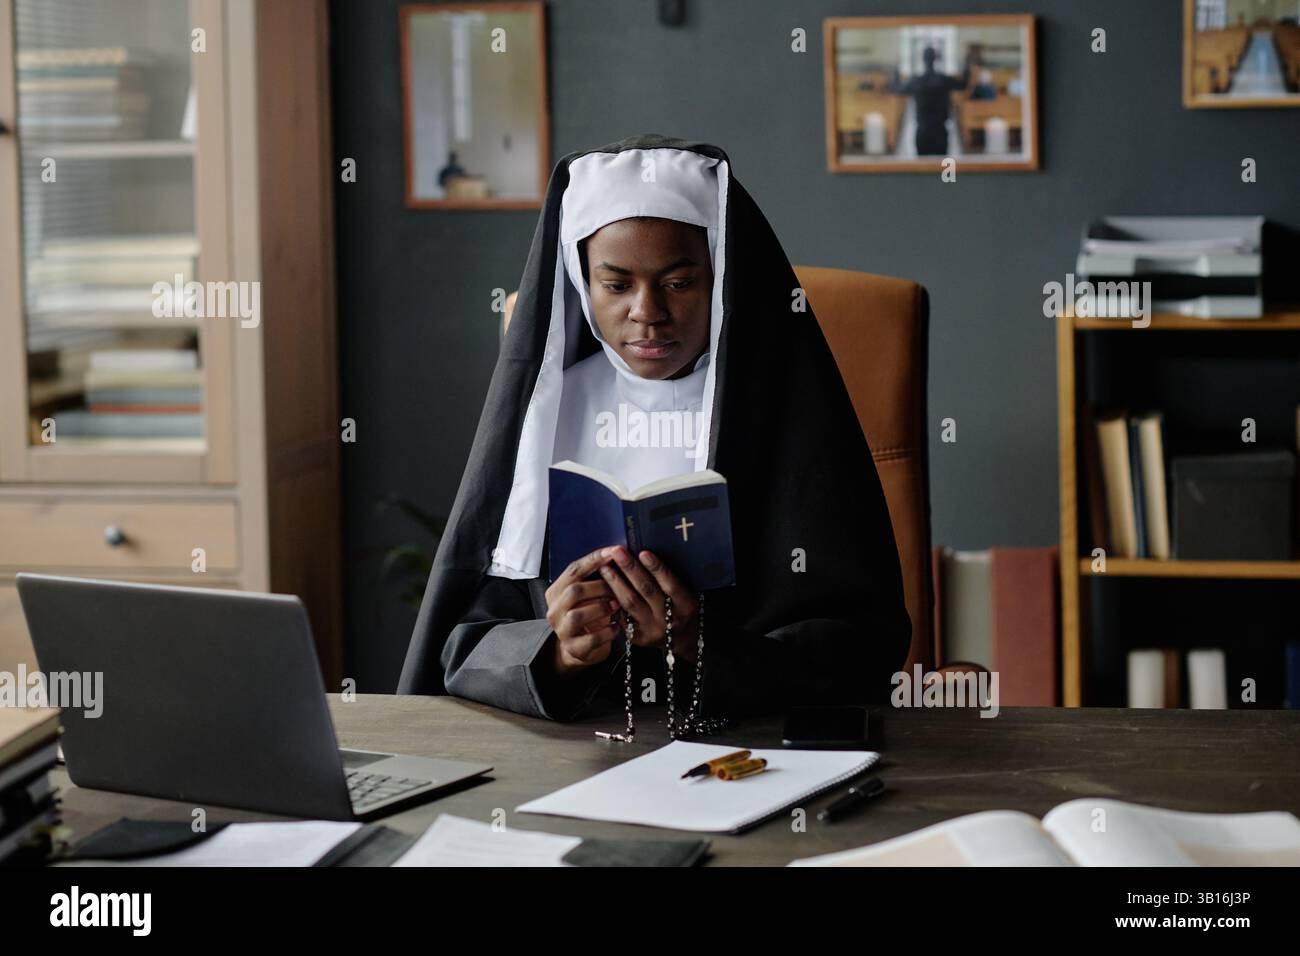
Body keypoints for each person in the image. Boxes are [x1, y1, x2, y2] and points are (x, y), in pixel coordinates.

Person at [397, 133, 910, 726]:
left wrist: (697, 641)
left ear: (722, 278)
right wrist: (560, 652)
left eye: (678, 282)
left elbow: (859, 651)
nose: (647, 312)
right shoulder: (546, 413)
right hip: (573, 750)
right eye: (616, 285)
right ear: (579, 281)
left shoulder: (786, 412)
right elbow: (465, 644)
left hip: (745, 748)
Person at [889, 46, 974, 155]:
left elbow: (897, 88)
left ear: (923, 59)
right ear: (935, 59)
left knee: (924, 168)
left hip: (923, 132)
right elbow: (963, 84)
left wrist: (896, 66)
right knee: (942, 168)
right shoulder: (943, 80)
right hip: (940, 131)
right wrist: (966, 64)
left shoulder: (918, 81)